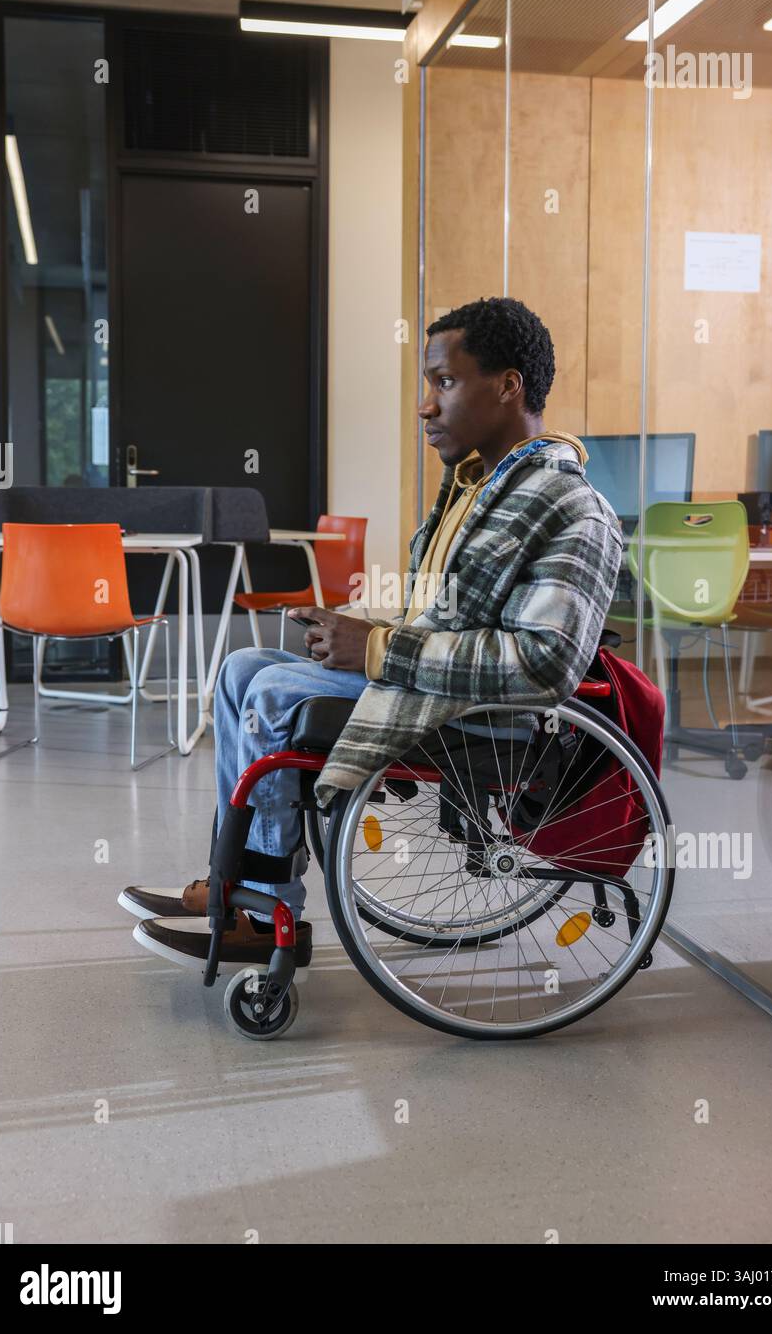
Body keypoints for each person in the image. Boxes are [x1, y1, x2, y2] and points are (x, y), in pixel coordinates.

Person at [121, 297, 622, 968]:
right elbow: (447, 615)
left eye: (443, 382)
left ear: (508, 386)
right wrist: (366, 628)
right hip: (435, 680)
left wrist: (379, 648)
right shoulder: (479, 487)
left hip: (485, 715)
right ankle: (237, 880)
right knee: (241, 671)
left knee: (271, 692)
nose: (425, 405)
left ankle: (271, 914)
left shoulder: (570, 506)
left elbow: (541, 665)